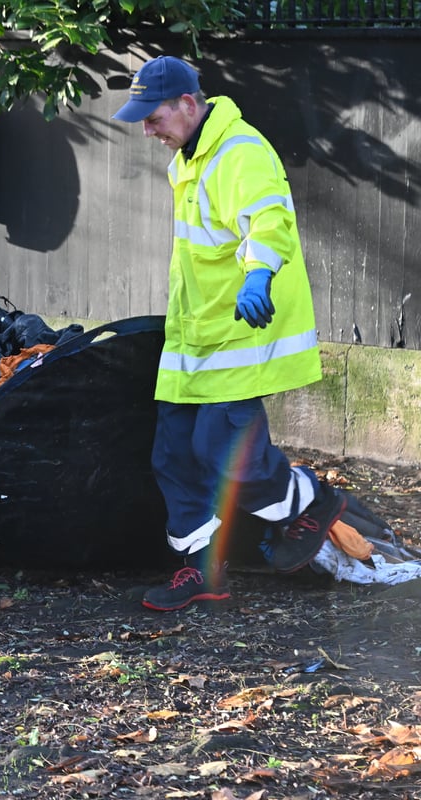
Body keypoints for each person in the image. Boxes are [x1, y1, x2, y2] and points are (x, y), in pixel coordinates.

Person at [112, 55, 346, 611]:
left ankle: (312, 500)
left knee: (222, 452)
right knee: (173, 455)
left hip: (244, 324)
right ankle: (202, 572)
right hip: (195, 331)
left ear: (188, 105)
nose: (147, 129)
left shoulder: (240, 151)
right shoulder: (188, 159)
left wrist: (259, 273)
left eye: (154, 117)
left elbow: (270, 219)